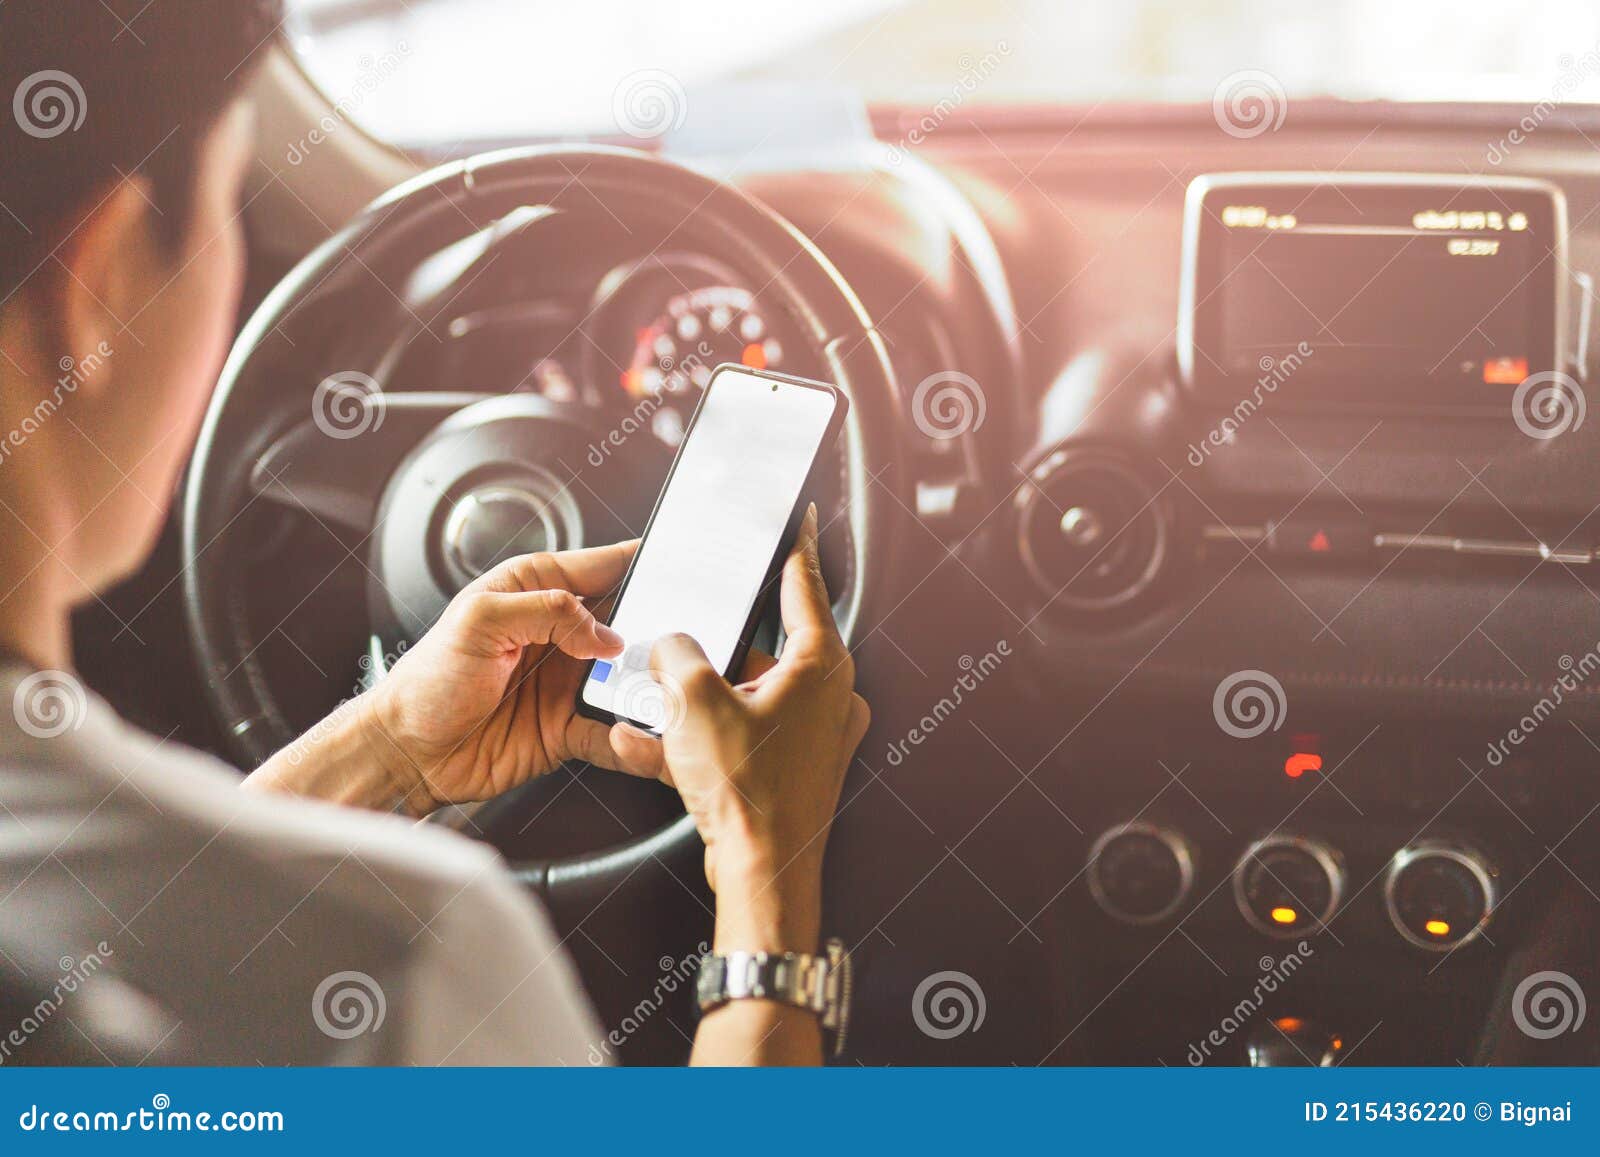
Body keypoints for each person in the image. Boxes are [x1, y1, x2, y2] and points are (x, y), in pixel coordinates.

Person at [0, 1, 868, 1065]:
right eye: (237, 201)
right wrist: (764, 870)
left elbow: (107, 916)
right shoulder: (405, 963)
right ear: (105, 283)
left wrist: (387, 747)